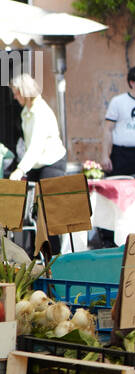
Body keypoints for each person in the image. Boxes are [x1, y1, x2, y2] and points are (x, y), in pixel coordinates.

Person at [9, 73, 67, 255]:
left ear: (24, 92)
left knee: (48, 214)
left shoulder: (40, 111)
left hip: (51, 164)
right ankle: (37, 255)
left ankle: (54, 258)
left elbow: (36, 146)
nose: (14, 97)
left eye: (16, 92)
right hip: (36, 166)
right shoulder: (26, 111)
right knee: (33, 213)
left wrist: (20, 169)